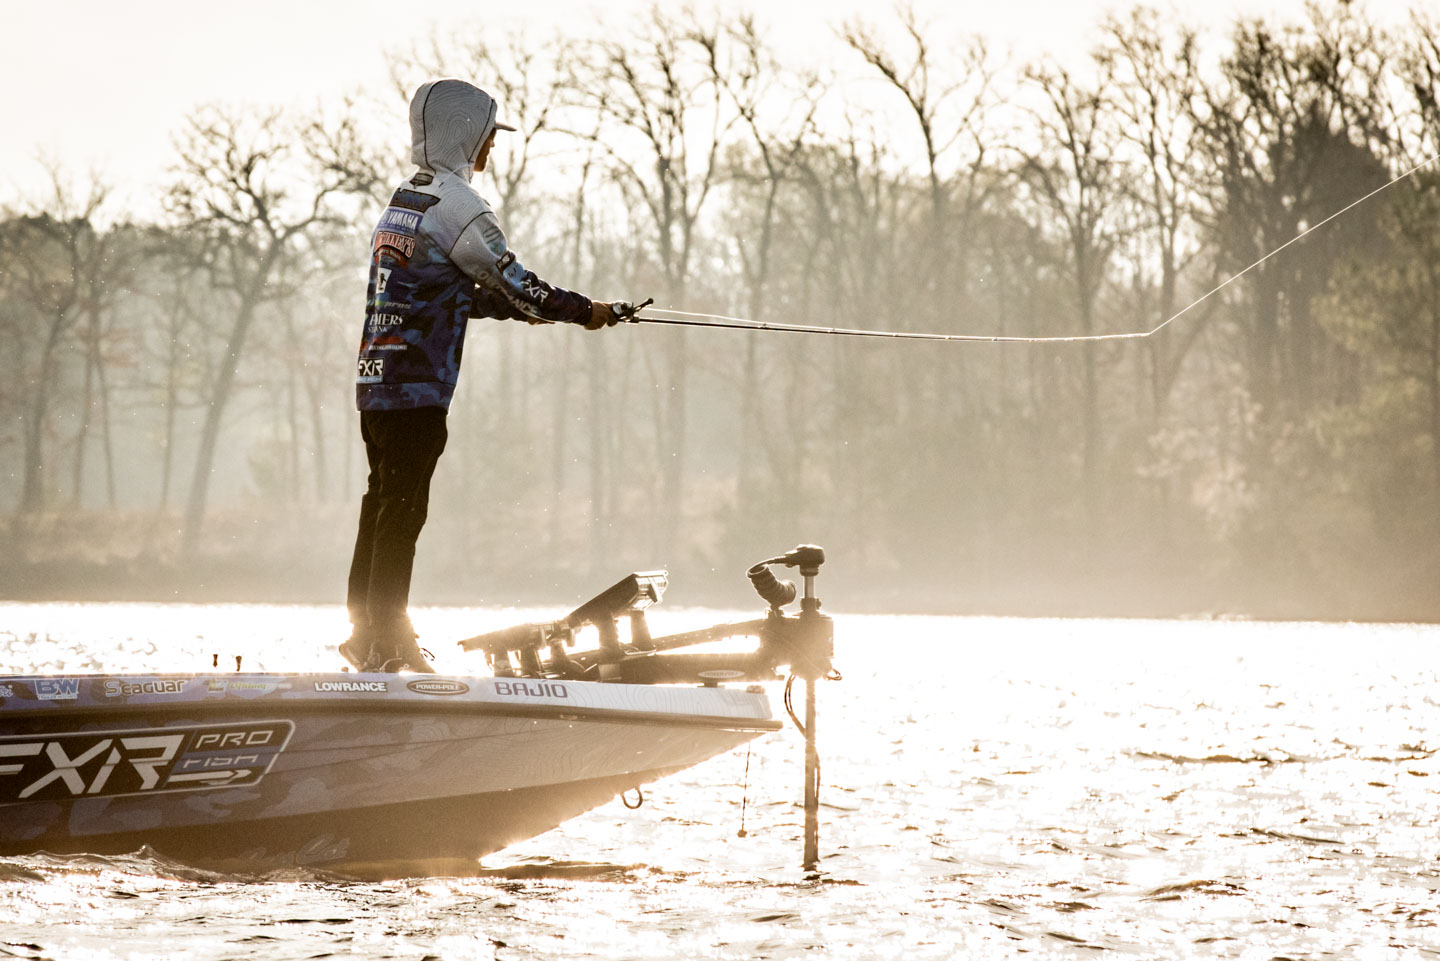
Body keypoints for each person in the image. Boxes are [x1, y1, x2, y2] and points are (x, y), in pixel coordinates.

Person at [342, 78, 625, 673]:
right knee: (404, 509)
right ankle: (388, 640)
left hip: (376, 381)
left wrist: (530, 311)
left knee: (382, 502)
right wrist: (585, 312)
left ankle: (365, 631)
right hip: (420, 388)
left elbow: (454, 294)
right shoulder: (463, 209)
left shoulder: (405, 200)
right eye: (489, 135)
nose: (492, 146)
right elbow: (517, 283)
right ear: (463, 132)